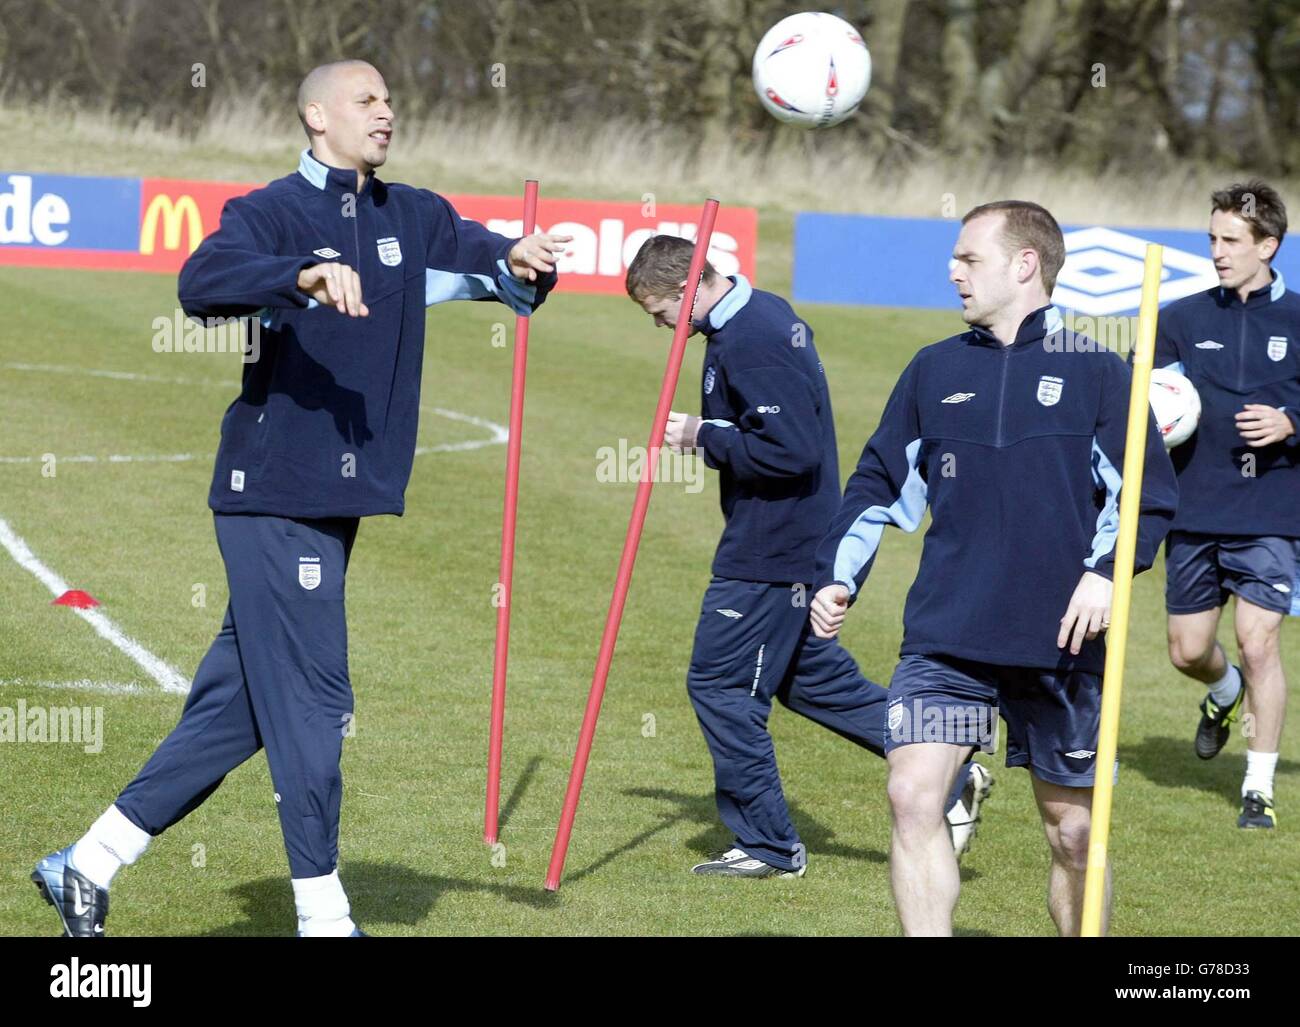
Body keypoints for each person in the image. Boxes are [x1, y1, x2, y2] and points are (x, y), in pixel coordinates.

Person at [31, 60, 569, 937]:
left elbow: (494, 270)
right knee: (319, 704)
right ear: (316, 116)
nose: (385, 112)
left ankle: (83, 866)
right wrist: (302, 277)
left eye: (390, 99)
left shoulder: (415, 213)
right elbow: (201, 282)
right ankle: (324, 920)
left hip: (334, 501)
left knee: (238, 710)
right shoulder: (270, 210)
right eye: (366, 100)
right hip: (271, 494)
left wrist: (521, 260)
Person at [810, 201, 1178, 935]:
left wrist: (1106, 570)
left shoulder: (1100, 372)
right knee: (913, 795)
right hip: (950, 640)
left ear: (1025, 264)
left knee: (1074, 835)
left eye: (968, 258)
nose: (953, 272)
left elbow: (1146, 493)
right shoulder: (932, 369)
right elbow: (879, 483)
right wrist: (838, 573)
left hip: (1062, 645)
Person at [624, 235, 993, 879]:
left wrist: (701, 434)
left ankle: (768, 846)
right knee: (813, 684)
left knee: (720, 685)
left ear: (690, 288)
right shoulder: (748, 321)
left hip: (774, 549)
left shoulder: (754, 339)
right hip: (783, 537)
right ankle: (949, 758)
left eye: (660, 310)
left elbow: (791, 452)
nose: (658, 324)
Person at [1153, 181, 1298, 829]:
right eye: (1212, 238)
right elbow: (1144, 399)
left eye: (1230, 241)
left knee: (1258, 639)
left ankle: (1257, 790)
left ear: (1268, 245)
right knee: (1188, 650)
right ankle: (1223, 689)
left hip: (1271, 509)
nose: (1216, 251)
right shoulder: (1179, 319)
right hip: (1193, 508)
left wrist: (1292, 421)